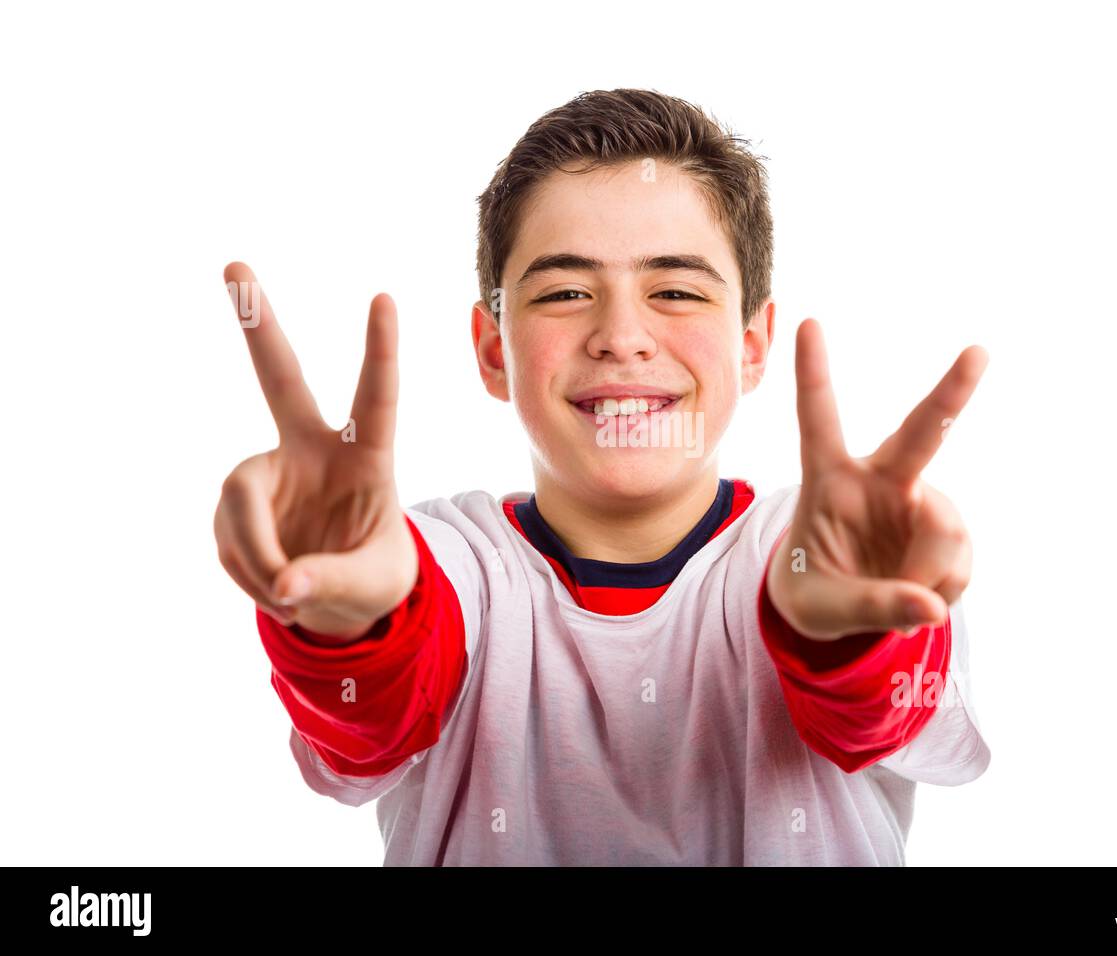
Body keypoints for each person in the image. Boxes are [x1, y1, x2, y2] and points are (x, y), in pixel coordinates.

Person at [214, 88, 992, 865]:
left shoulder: (808, 553)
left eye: (677, 291)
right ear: (493, 351)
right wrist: (350, 626)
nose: (621, 337)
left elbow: (885, 717)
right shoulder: (450, 566)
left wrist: (848, 639)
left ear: (753, 343)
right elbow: (372, 716)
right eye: (564, 293)